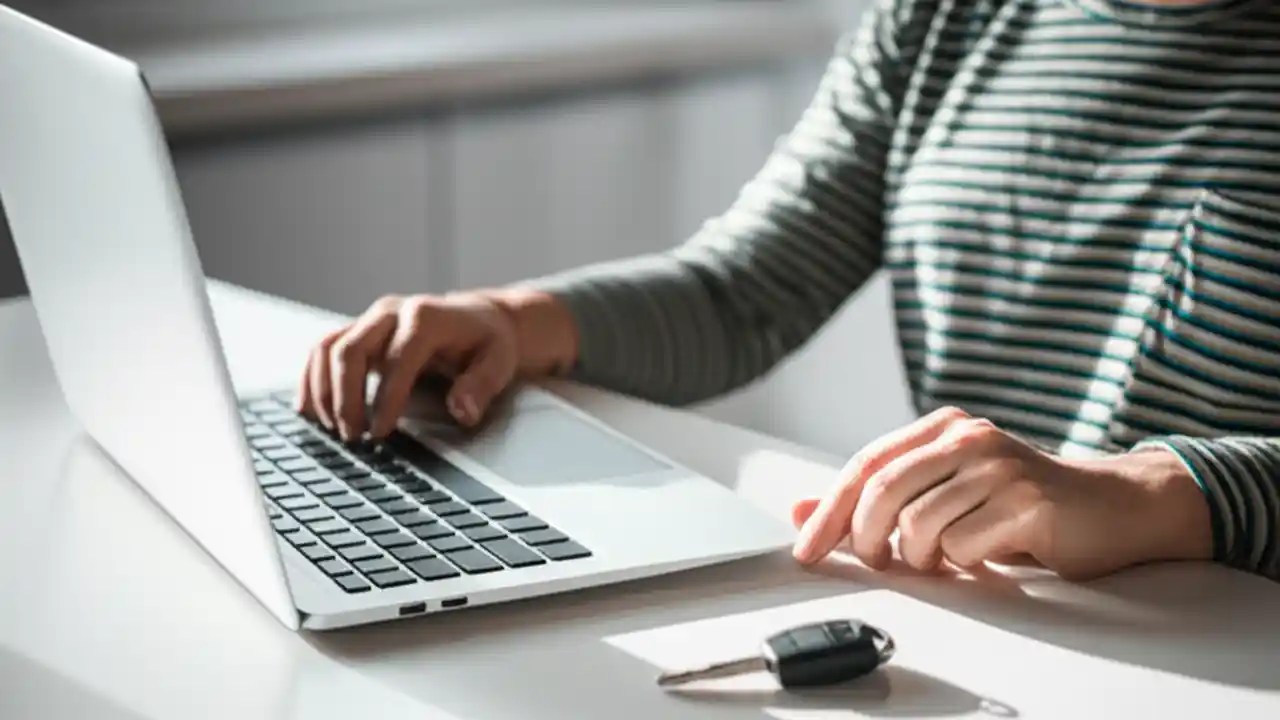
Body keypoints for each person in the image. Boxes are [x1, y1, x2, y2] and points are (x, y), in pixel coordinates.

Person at [297, 0, 1280, 582]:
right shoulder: (945, 21)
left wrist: (1155, 491)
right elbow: (745, 288)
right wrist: (510, 322)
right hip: (994, 617)